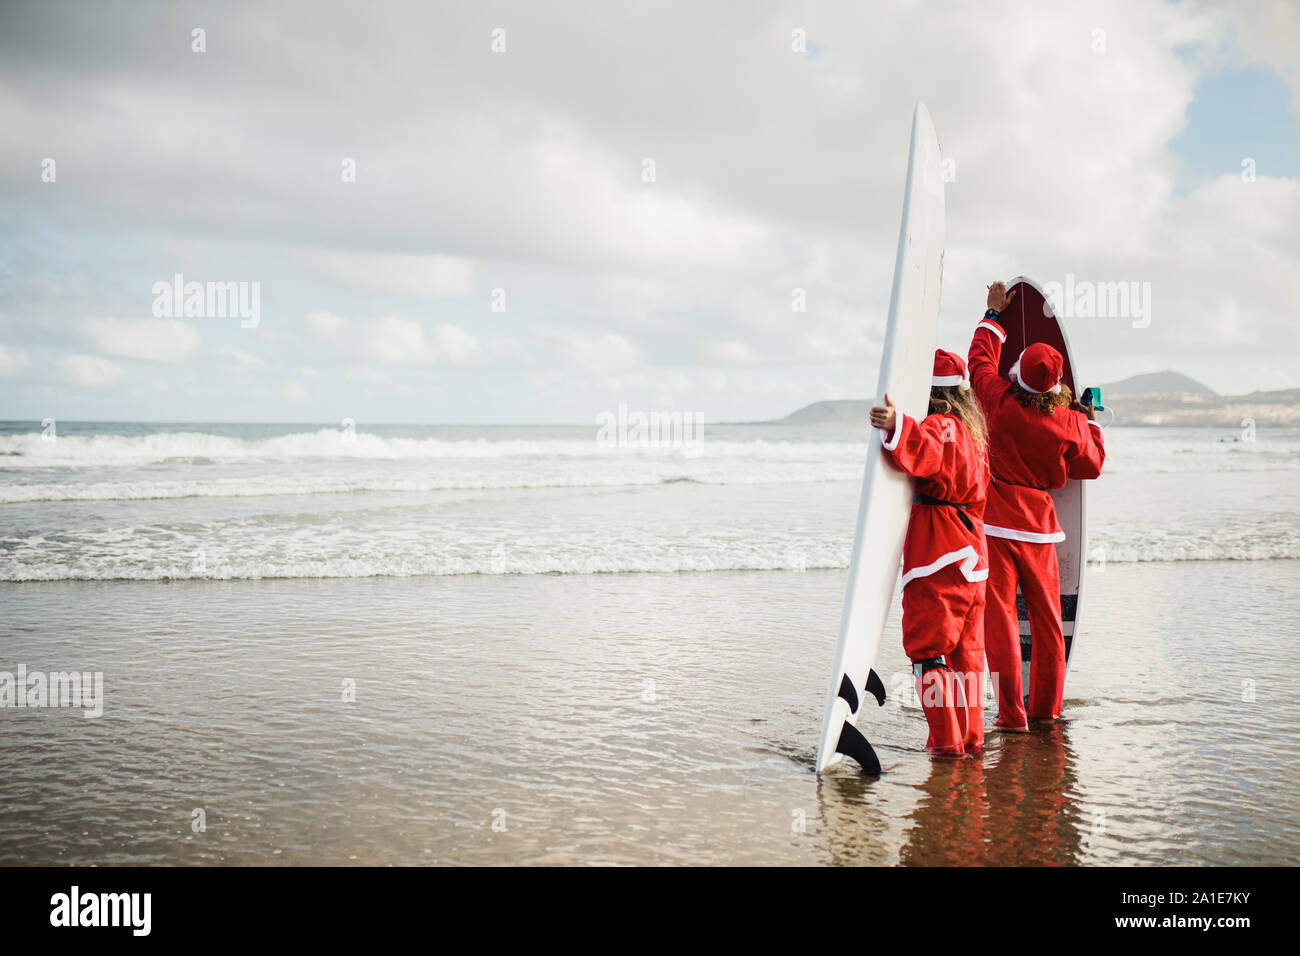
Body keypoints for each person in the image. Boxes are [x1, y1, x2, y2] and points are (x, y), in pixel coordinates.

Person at [968, 281, 1105, 731]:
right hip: (1040, 531)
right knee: (1048, 622)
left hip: (994, 527)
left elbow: (978, 363)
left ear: (1017, 376)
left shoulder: (997, 402)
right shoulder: (1066, 423)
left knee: (1002, 619)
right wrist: (1089, 424)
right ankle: (1046, 710)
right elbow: (1091, 465)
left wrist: (993, 316)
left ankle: (1011, 716)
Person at [869, 349, 989, 756]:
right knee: (967, 656)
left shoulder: (943, 427)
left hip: (938, 558)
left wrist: (896, 424)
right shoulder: (974, 435)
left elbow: (927, 450)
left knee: (927, 653)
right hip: (973, 560)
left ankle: (947, 745)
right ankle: (971, 739)